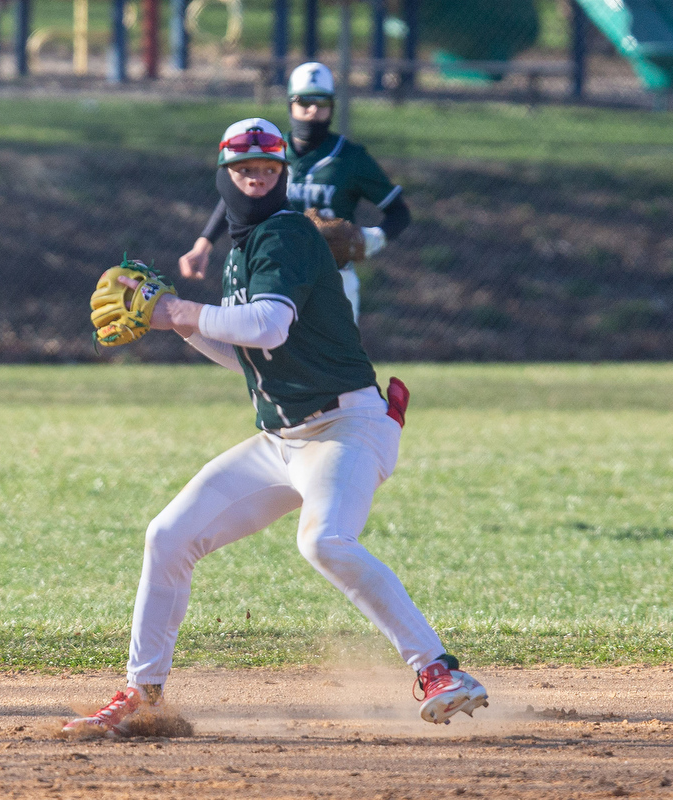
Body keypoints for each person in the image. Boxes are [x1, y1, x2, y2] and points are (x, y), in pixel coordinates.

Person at [62, 118, 486, 737]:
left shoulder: (285, 234)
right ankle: (143, 692)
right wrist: (182, 326)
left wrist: (177, 308)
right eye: (243, 168)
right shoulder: (244, 251)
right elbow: (247, 354)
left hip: (347, 426)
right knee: (169, 536)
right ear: (224, 175)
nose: (256, 177)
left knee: (325, 542)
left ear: (283, 173)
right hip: (283, 441)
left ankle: (440, 671)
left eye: (267, 167)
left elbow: (267, 328)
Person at [178, 61, 411, 322]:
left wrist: (373, 238)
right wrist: (203, 245)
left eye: (321, 102)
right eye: (304, 100)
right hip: (272, 272)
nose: (312, 109)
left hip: (332, 276)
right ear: (290, 104)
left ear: (332, 106)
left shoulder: (351, 158)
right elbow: (236, 199)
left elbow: (399, 212)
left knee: (334, 359)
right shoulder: (270, 148)